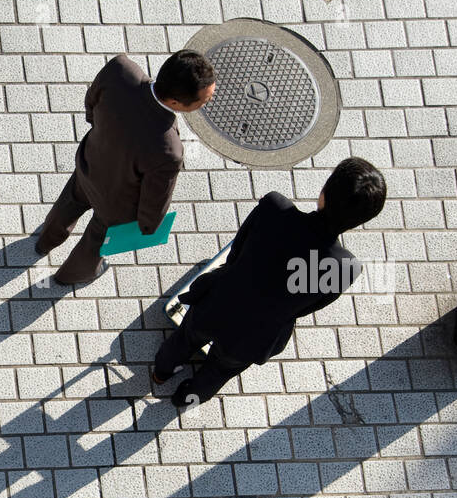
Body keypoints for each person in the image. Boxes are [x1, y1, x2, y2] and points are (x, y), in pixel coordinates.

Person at [152, 156, 389, 408]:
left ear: (324, 194)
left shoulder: (274, 208)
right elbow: (306, 308)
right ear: (359, 222)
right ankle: (185, 398)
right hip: (255, 335)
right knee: (219, 371)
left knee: (185, 338)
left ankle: (161, 372)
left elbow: (234, 254)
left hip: (218, 301)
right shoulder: (344, 269)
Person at [34, 49, 216, 287]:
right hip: (115, 203)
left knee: (68, 203)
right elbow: (155, 200)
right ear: (175, 102)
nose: (209, 100)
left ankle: (44, 242)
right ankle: (70, 275)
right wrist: (147, 228)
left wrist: (97, 128)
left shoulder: (121, 70)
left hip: (89, 163)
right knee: (96, 241)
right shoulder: (168, 149)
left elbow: (91, 101)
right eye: (205, 100)